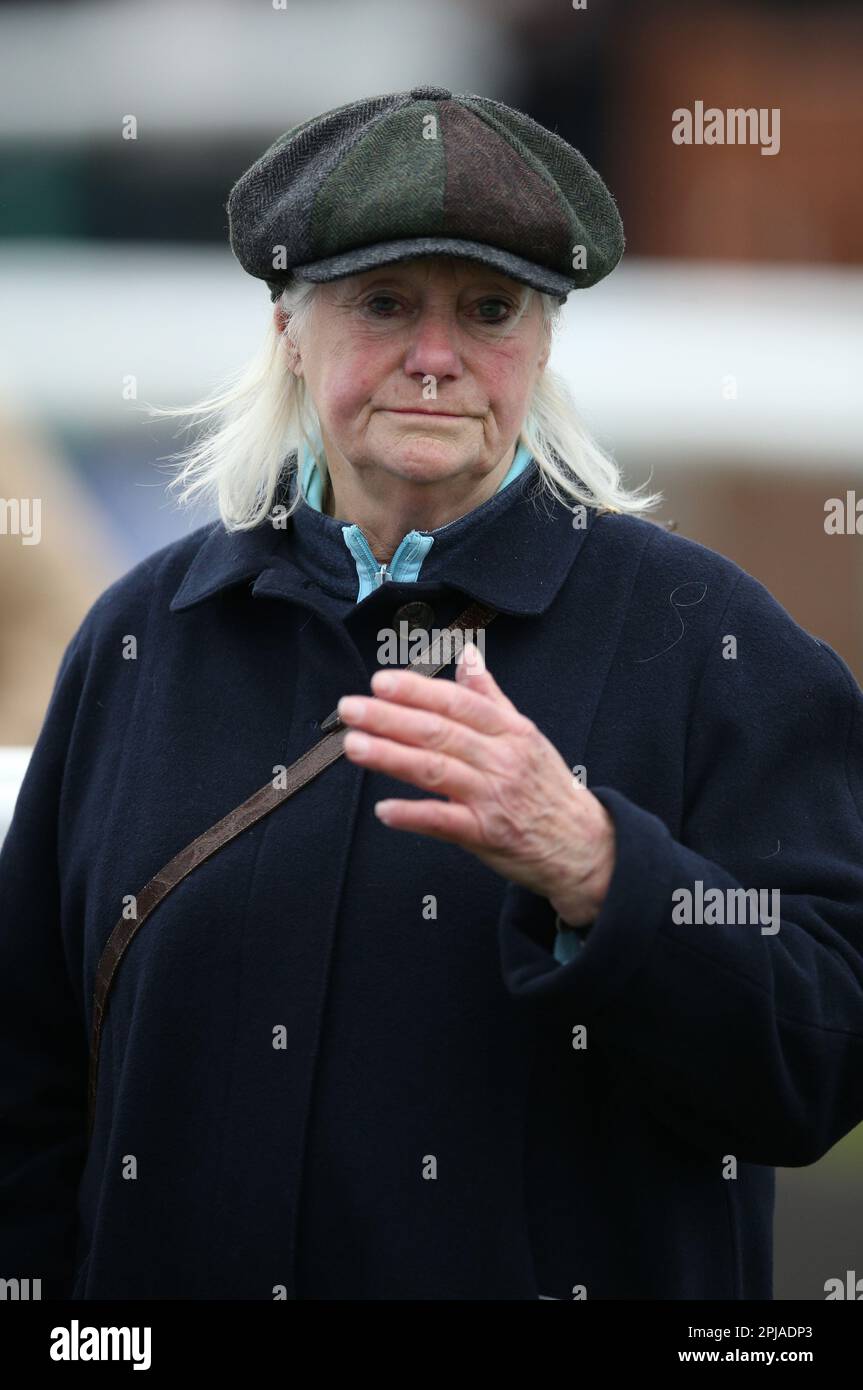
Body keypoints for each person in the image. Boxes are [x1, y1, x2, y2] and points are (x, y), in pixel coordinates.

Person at [1, 85, 862, 1302]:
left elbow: (824, 1054)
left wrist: (602, 869)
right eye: (385, 304)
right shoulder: (141, 638)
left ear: (543, 340)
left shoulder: (715, 644)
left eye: (490, 309)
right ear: (289, 330)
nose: (437, 357)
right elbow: (28, 1090)